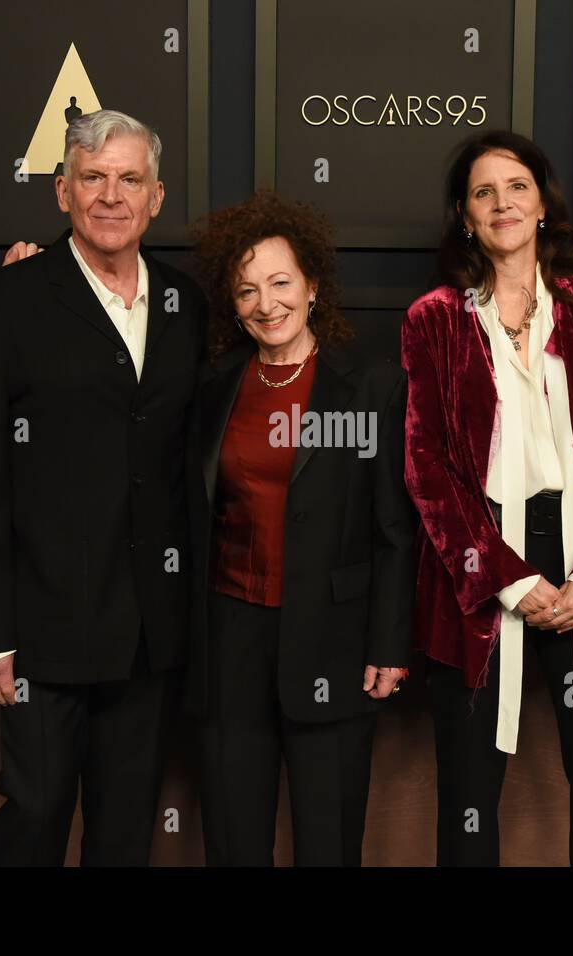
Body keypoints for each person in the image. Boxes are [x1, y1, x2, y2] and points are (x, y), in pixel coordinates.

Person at [0, 109, 208, 865]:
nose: (111, 195)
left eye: (130, 179)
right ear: (63, 191)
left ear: (157, 198)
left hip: (151, 633)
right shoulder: (8, 300)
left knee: (125, 831)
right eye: (93, 178)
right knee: (34, 815)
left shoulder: (188, 306)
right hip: (42, 625)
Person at [402, 131, 573, 866]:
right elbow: (428, 466)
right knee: (470, 796)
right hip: (480, 565)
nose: (502, 203)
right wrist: (505, 576)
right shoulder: (434, 318)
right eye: (483, 192)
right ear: (464, 215)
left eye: (517, 187)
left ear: (544, 204)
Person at [186, 192, 415, 866]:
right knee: (233, 838)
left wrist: (389, 644)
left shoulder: (371, 387)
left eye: (281, 282)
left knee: (328, 840)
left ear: (312, 286)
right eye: (247, 290)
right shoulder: (214, 386)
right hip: (229, 642)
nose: (266, 303)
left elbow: (394, 530)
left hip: (335, 642)